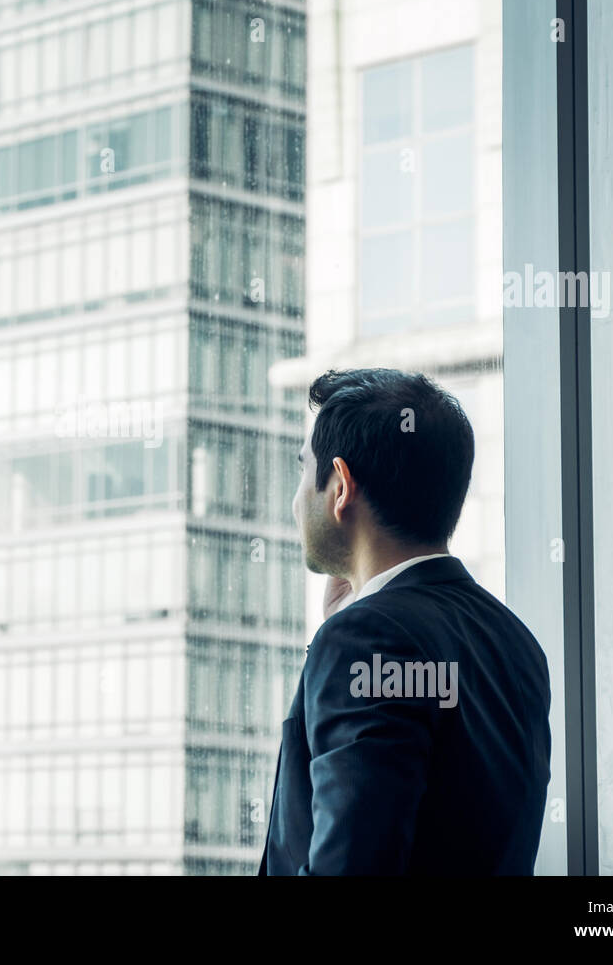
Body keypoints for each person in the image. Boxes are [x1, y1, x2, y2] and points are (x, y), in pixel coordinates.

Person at [258, 368, 551, 875]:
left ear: (341, 486)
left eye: (304, 471)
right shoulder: (514, 641)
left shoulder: (363, 641)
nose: (297, 497)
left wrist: (340, 645)